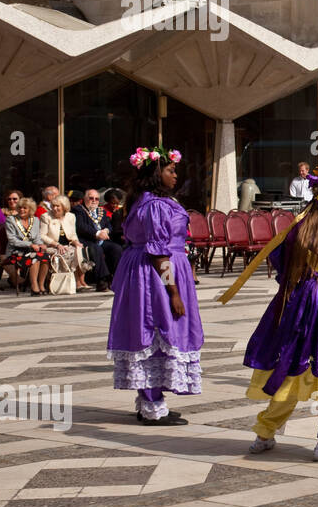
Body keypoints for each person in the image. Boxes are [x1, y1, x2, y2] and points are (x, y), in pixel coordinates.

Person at [223, 166, 318, 461]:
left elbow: (282, 271)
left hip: (298, 303)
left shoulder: (297, 231)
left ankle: (264, 434)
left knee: (293, 367)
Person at [106, 147, 201, 425]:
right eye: (170, 170)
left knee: (157, 334)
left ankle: (153, 398)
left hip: (153, 271)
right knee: (156, 330)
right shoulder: (156, 205)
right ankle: (151, 405)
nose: (175, 175)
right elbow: (159, 253)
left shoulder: (148, 201)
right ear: (156, 173)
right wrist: (173, 292)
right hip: (155, 277)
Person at [40, 195, 91, 292]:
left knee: (79, 251)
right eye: (53, 206)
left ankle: (80, 281)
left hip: (68, 245)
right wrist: (57, 245)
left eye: (58, 206)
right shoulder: (46, 217)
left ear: (64, 207)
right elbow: (42, 236)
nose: (55, 208)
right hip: (52, 246)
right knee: (67, 253)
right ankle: (76, 282)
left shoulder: (71, 216)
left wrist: (76, 242)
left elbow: (73, 233)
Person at [75, 188, 120, 291]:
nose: (94, 201)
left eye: (96, 199)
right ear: (85, 199)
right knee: (96, 249)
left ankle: (115, 277)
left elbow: (109, 225)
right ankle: (102, 279)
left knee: (116, 248)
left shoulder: (101, 211)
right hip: (88, 240)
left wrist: (106, 231)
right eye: (91, 198)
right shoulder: (79, 210)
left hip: (102, 240)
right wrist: (97, 233)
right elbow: (81, 226)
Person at [3, 197, 50, 296]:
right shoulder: (11, 219)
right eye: (19, 208)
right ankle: (34, 285)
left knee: (45, 257)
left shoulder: (35, 220)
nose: (21, 210)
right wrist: (30, 244)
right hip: (15, 251)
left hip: (31, 250)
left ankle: (41, 285)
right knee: (35, 257)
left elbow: (37, 237)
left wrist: (40, 244)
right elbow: (12, 240)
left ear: (30, 209)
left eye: (25, 208)